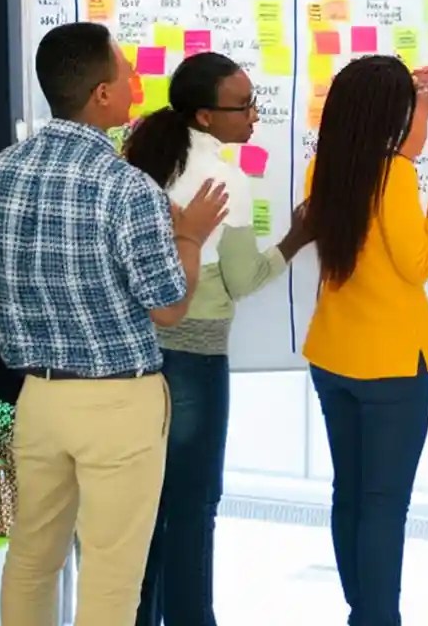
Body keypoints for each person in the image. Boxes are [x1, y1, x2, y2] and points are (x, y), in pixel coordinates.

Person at [0, 21, 226, 625]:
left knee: (32, 561)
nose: (136, 80)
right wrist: (189, 238)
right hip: (118, 403)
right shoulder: (126, 187)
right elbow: (168, 306)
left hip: (38, 399)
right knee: (112, 580)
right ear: (101, 95)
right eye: (125, 71)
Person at [123, 51, 313, 626]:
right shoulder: (225, 177)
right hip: (194, 357)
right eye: (244, 105)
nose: (256, 115)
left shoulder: (141, 157)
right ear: (205, 116)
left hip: (137, 353)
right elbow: (241, 278)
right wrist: (296, 238)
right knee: (194, 505)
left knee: (148, 507)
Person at [302, 55, 428, 625]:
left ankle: (361, 610)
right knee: (382, 507)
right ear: (390, 123)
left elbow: (404, 147)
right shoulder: (395, 176)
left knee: (348, 494)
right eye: (410, 114)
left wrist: (417, 105)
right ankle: (375, 618)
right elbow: (418, 262)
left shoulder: (325, 168)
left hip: (333, 357)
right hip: (394, 367)